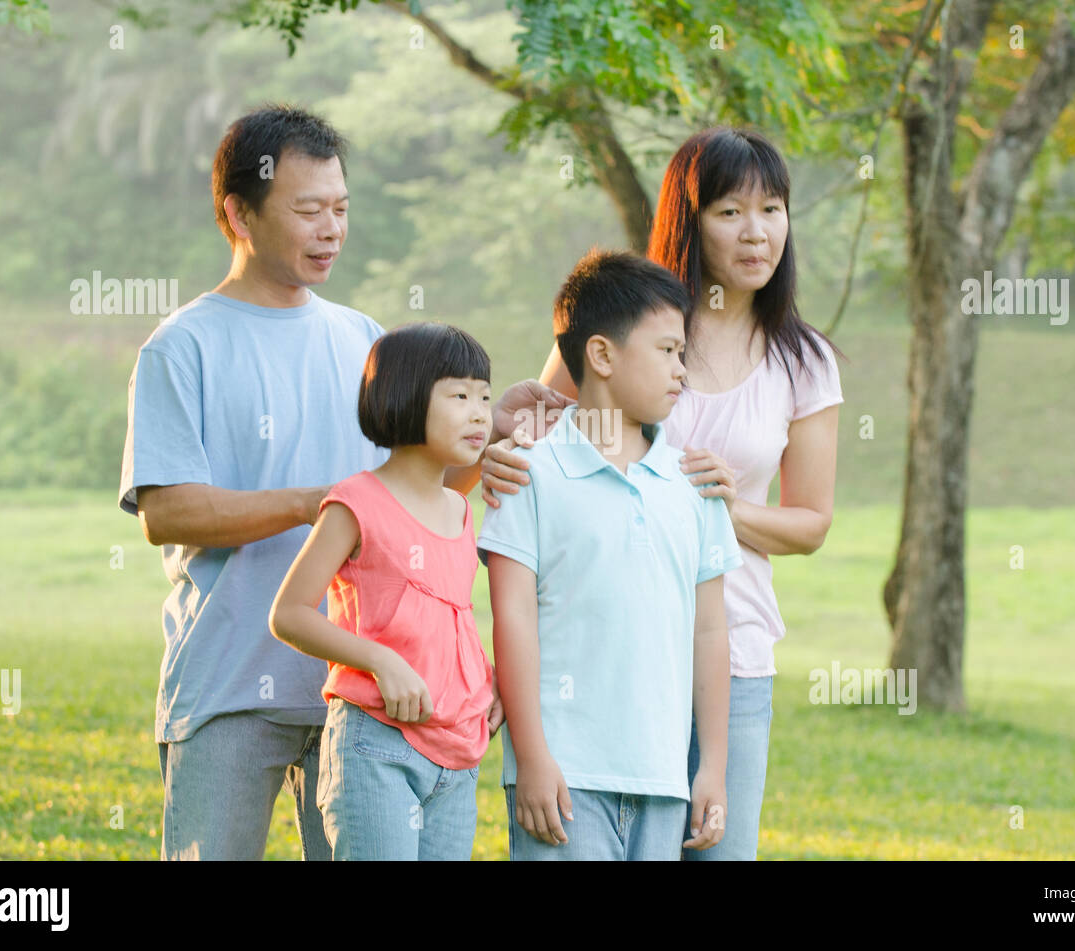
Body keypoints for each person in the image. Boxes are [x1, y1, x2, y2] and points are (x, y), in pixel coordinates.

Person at [471, 127, 844, 860]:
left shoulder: (805, 361)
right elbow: (532, 460)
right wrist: (489, 454)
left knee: (716, 846)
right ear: (688, 219)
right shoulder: (625, 323)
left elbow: (811, 522)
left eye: (773, 210)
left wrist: (720, 506)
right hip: (597, 651)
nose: (757, 232)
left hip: (726, 648)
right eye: (730, 212)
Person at [119, 103, 467, 860]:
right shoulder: (182, 347)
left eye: (341, 209)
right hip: (228, 683)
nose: (331, 229)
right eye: (308, 210)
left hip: (363, 691)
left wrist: (502, 428)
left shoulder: (365, 339)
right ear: (239, 213)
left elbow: (423, 483)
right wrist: (318, 504)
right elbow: (167, 510)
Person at [477, 248, 744, 861]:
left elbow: (710, 631)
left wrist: (712, 771)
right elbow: (513, 621)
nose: (682, 370)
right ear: (601, 354)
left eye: (683, 353)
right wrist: (533, 758)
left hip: (662, 781)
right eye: (667, 351)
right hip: (563, 782)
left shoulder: (692, 484)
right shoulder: (528, 476)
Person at [269, 322, 503, 861]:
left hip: (457, 753)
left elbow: (451, 617)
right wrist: (381, 661)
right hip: (376, 745)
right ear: (404, 397)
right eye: (460, 395)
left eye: (485, 398)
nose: (479, 413)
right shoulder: (356, 502)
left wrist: (484, 681)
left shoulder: (463, 509)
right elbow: (289, 614)